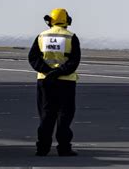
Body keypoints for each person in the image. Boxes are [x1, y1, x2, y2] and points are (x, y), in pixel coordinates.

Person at [28, 8, 81, 156]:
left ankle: (42, 148)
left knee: (46, 115)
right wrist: (58, 72)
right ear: (67, 20)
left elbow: (33, 58)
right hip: (66, 82)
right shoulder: (71, 37)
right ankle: (64, 148)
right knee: (64, 116)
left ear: (50, 21)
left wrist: (47, 72)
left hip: (45, 82)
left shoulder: (41, 36)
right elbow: (74, 61)